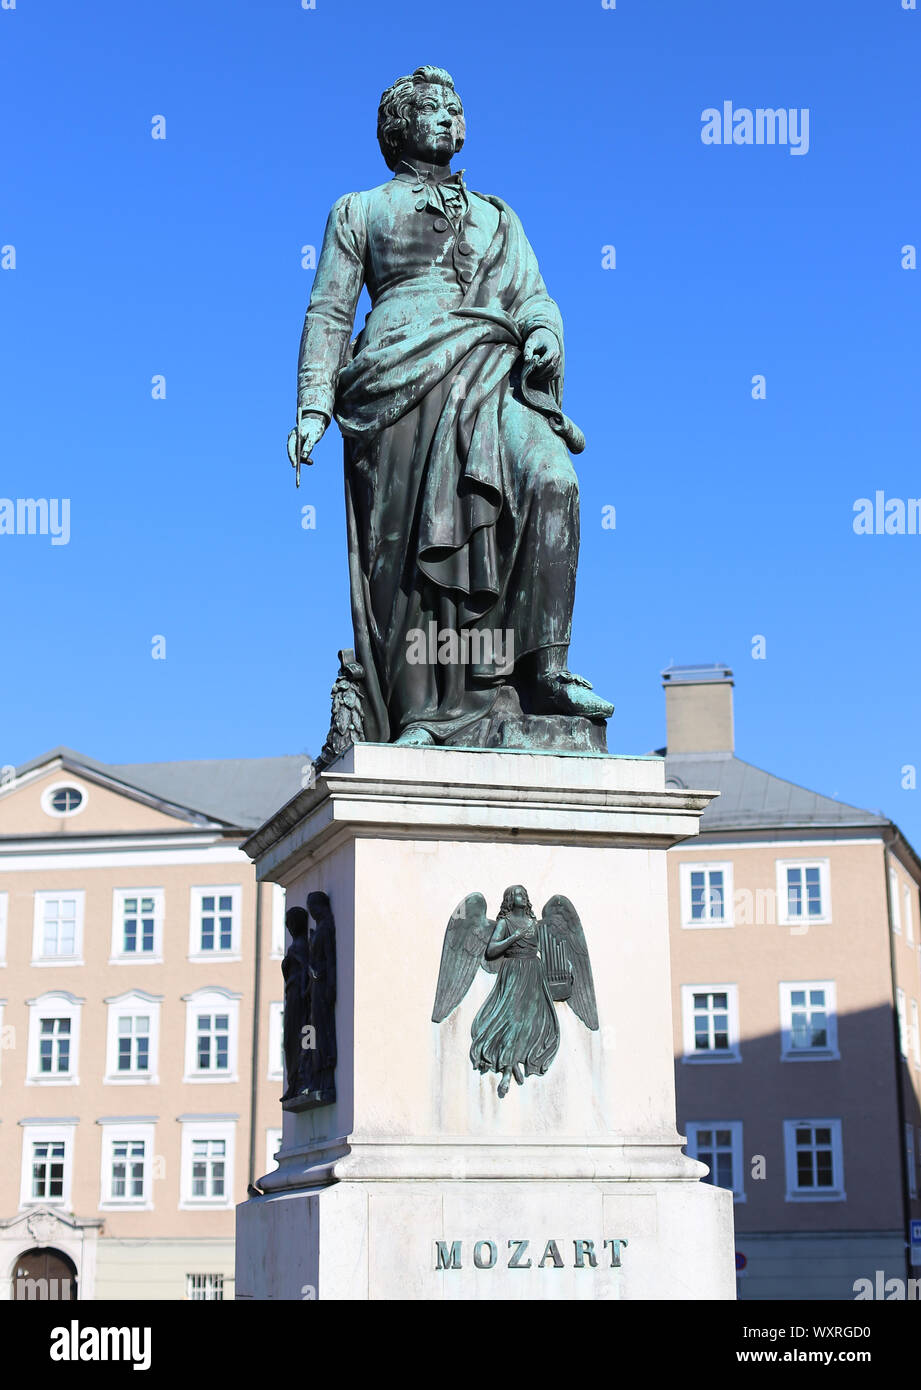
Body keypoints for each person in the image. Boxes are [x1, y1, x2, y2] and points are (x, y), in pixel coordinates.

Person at [290, 65, 613, 746]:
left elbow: (532, 294)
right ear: (396, 127)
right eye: (431, 108)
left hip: (492, 366)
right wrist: (314, 404)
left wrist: (544, 335)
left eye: (454, 108)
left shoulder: (499, 214)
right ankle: (425, 712)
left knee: (552, 482)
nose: (447, 118)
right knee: (412, 556)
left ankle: (544, 664)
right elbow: (328, 309)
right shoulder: (358, 210)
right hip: (397, 377)